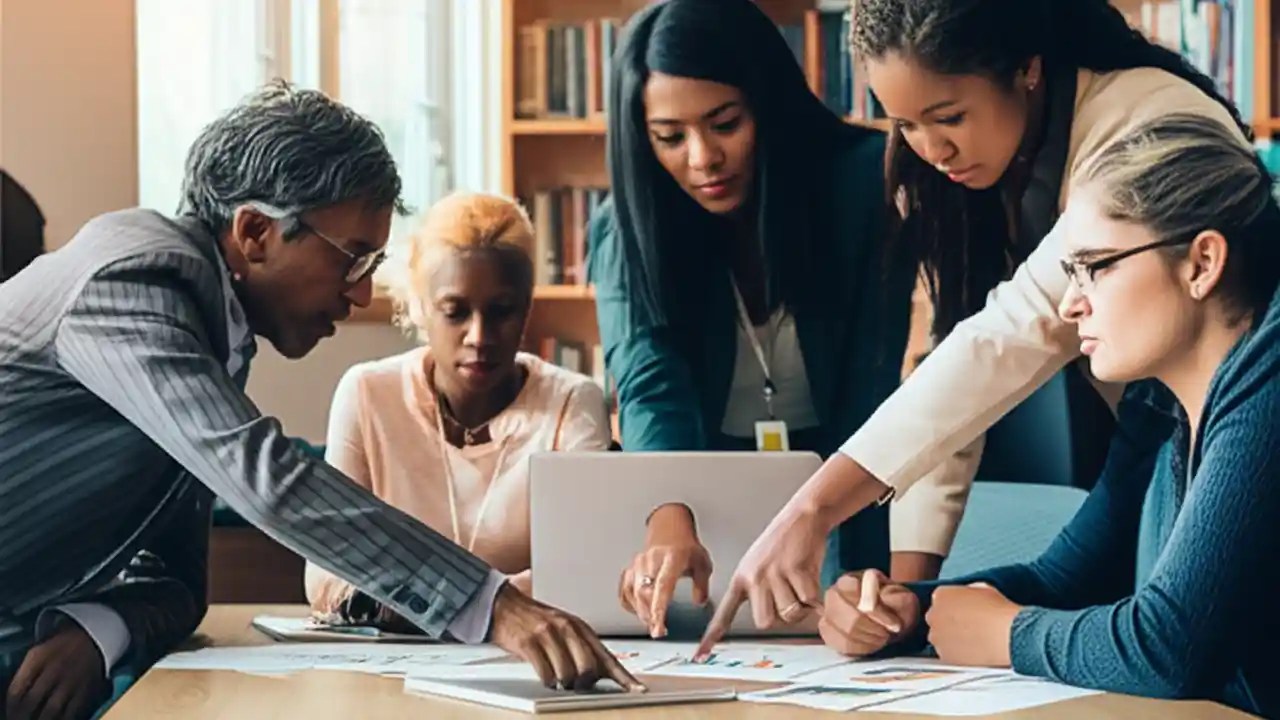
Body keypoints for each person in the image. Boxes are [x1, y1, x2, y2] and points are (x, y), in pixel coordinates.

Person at [0, 80, 639, 720]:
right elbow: (268, 480)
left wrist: (96, 631)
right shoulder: (132, 285)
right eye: (352, 259)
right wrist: (491, 604)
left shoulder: (212, 332)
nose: (360, 295)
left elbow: (176, 581)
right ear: (256, 231)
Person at [697, 0, 1256, 651]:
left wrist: (812, 508)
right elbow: (956, 366)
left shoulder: (1145, 128)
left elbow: (1007, 337)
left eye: (949, 117)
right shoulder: (993, 162)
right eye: (904, 124)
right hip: (1157, 433)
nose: (931, 150)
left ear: (1027, 69)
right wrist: (901, 608)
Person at [815, 114, 1280, 717]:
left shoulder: (1269, 378)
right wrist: (909, 610)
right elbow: (1067, 580)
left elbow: (1171, 646)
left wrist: (1006, 633)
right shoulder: (1158, 400)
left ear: (1201, 263)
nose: (1070, 304)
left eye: (1096, 267)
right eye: (1070, 273)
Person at [587, 0, 942, 638]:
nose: (703, 158)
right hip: (703, 490)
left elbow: (871, 387)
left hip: (848, 477)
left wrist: (864, 577)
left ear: (768, 104)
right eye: (669, 137)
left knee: (853, 629)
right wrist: (670, 517)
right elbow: (648, 385)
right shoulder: (625, 228)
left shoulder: (865, 185)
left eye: (725, 123)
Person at [305, 191, 612, 626]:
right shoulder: (367, 393)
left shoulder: (571, 403)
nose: (479, 336)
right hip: (396, 654)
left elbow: (587, 568)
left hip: (522, 654)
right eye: (455, 312)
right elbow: (325, 577)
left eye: (502, 312)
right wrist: (481, 607)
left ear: (527, 308)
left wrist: (424, 603)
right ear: (418, 306)